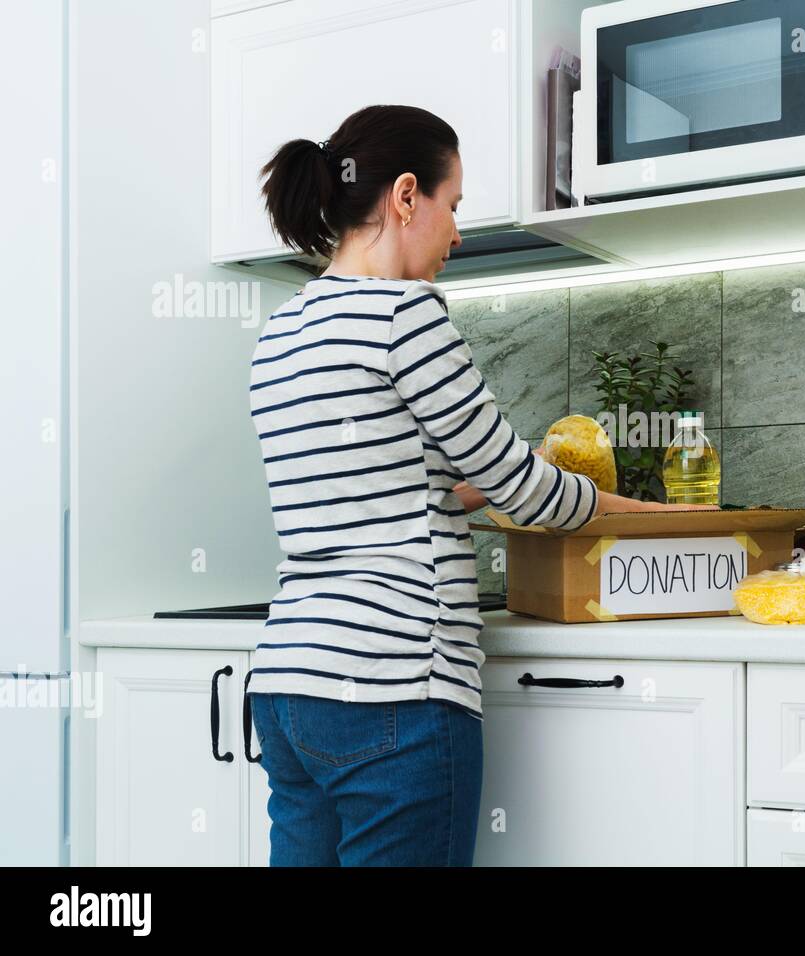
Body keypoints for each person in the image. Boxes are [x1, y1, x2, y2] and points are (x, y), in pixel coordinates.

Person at [247, 104, 706, 866]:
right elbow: (525, 491)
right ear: (404, 196)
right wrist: (641, 510)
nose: (458, 232)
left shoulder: (281, 333)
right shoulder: (403, 312)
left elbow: (378, 486)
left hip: (291, 684)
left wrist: (468, 489)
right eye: (452, 204)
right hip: (396, 684)